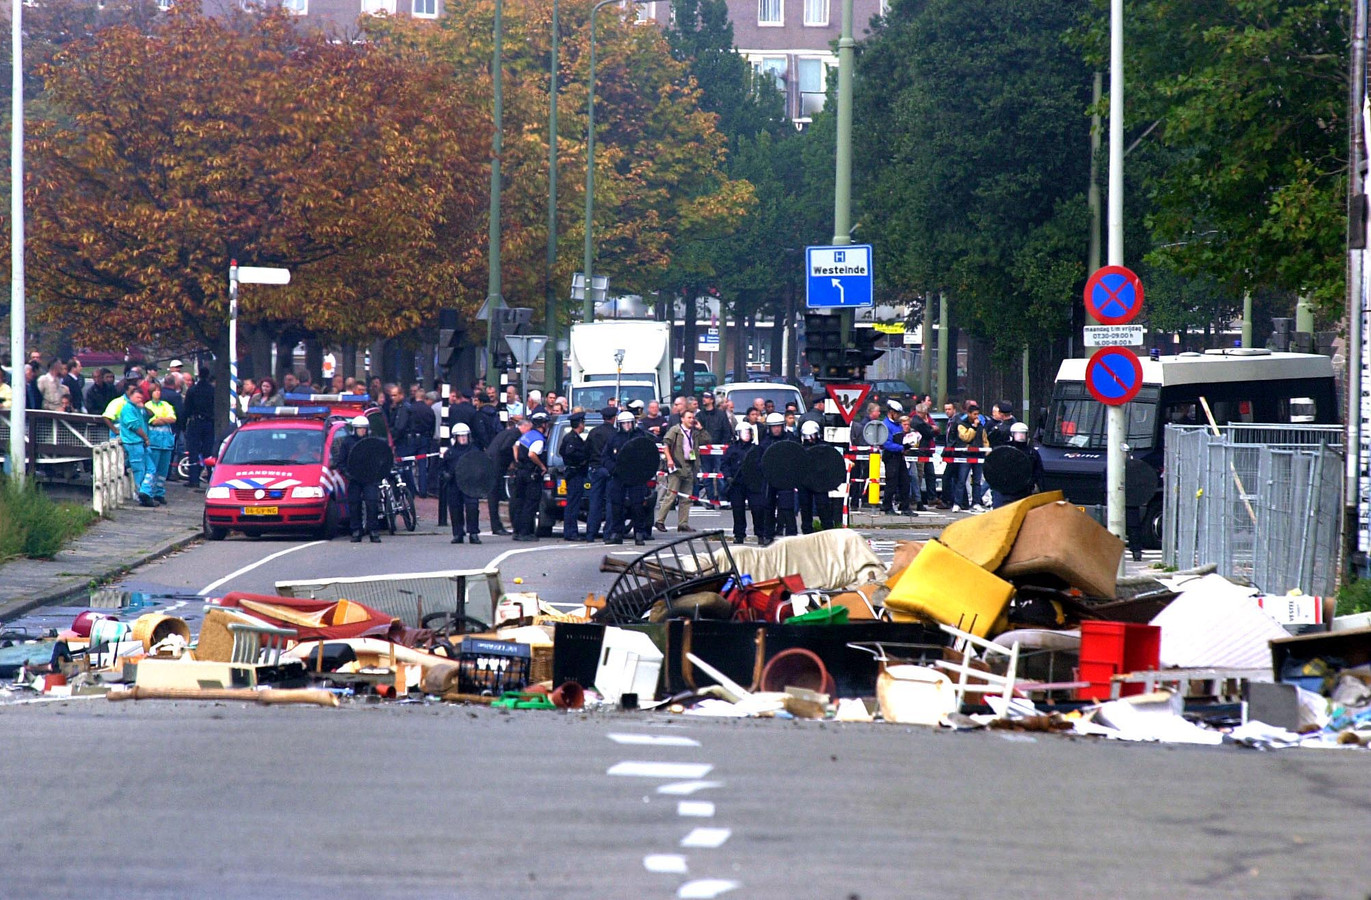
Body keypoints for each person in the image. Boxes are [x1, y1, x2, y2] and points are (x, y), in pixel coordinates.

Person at [330, 415, 383, 543]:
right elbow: (341, 461)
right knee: (354, 504)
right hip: (354, 478)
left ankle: (373, 531)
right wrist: (346, 473)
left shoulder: (371, 442)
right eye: (359, 428)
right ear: (355, 429)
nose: (362, 431)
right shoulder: (348, 442)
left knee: (372, 502)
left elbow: (379, 458)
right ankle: (356, 530)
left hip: (369, 477)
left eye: (364, 428)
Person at [602, 410, 652, 546]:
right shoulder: (614, 438)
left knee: (637, 505)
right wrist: (613, 468)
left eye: (629, 423)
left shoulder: (639, 436)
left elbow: (647, 454)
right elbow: (605, 456)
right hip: (618, 476)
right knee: (616, 505)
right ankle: (617, 533)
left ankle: (639, 533)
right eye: (624, 423)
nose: (627, 426)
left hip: (635, 476)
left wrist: (643, 470)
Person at [655, 408, 705, 534]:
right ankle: (660, 520)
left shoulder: (694, 432)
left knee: (686, 498)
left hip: (689, 465)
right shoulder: (675, 430)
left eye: (692, 418)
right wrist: (669, 459)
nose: (691, 420)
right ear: (682, 419)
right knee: (671, 495)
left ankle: (683, 523)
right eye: (689, 418)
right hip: (677, 466)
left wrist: (700, 429)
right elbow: (666, 444)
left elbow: (707, 439)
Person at [757, 412, 798, 543]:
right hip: (770, 479)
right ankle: (768, 535)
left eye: (778, 426)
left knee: (787, 508)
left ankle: (792, 535)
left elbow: (797, 457)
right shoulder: (765, 442)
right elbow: (759, 460)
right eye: (773, 426)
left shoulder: (790, 439)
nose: (776, 429)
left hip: (786, 479)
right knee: (768, 507)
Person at [440, 422, 483, 544]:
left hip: (470, 484)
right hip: (454, 483)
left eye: (465, 436)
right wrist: (445, 474)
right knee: (455, 508)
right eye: (460, 436)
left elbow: (481, 466)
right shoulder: (450, 452)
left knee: (472, 508)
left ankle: (473, 533)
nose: (463, 438)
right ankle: (458, 533)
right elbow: (441, 467)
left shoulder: (474, 450)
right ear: (455, 438)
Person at [510, 412, 550, 541]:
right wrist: (542, 466)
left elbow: (515, 446)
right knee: (531, 503)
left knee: (520, 502)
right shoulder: (538, 439)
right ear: (543, 425)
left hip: (520, 472)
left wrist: (517, 460)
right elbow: (532, 454)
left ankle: (517, 531)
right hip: (531, 474)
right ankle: (526, 532)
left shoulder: (527, 435)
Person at [991, 421, 1043, 510]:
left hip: (1024, 489)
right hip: (1004, 489)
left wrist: (1032, 483)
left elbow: (1038, 471)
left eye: (1022, 434)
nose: (1021, 437)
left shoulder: (1031, 452)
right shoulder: (1005, 450)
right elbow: (996, 468)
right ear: (1012, 434)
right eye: (1018, 434)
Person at [796, 420, 835, 533]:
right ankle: (807, 531)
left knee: (823, 506)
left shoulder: (824, 446)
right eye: (808, 435)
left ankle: (828, 530)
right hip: (805, 482)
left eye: (812, 435)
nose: (810, 438)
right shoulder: (800, 448)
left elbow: (831, 462)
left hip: (820, 482)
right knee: (805, 507)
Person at [583, 407, 616, 542]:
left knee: (595, 502)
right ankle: (608, 533)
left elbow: (586, 450)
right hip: (610, 470)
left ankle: (591, 533)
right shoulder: (615, 433)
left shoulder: (594, 432)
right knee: (610, 502)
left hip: (596, 468)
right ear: (614, 418)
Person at [720, 421, 756, 543]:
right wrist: (728, 477)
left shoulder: (755, 448)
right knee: (738, 510)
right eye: (744, 433)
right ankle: (739, 535)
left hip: (752, 483)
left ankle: (760, 533)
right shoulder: (732, 449)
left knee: (757, 509)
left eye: (748, 432)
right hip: (737, 483)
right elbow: (724, 464)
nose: (747, 435)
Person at [142, 383, 177, 505]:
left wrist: (160, 419)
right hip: (154, 442)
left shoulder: (166, 405)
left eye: (159, 390)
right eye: (155, 391)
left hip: (166, 443)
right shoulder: (147, 405)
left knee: (163, 470)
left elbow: (173, 418)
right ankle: (150, 493)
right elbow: (152, 421)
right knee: (153, 468)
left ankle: (160, 493)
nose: (157, 393)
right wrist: (163, 419)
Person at [119, 389, 154, 507]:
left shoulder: (138, 409)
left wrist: (144, 407)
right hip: (133, 443)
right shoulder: (128, 408)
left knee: (151, 468)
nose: (140, 400)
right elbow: (134, 426)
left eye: (141, 398)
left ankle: (145, 492)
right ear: (130, 396)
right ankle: (142, 496)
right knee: (139, 471)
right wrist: (146, 438)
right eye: (137, 397)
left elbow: (151, 415)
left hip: (141, 443)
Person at [559, 411, 591, 541]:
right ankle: (571, 532)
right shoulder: (572, 438)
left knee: (573, 503)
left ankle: (572, 531)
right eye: (583, 423)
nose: (584, 425)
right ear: (580, 424)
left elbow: (562, 451)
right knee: (573, 504)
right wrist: (581, 460)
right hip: (574, 473)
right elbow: (568, 452)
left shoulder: (573, 437)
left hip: (576, 473)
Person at [953, 401, 990, 512]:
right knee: (962, 480)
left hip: (978, 455)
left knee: (977, 481)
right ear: (969, 414)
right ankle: (957, 503)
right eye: (974, 414)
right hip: (966, 455)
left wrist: (986, 450)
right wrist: (973, 427)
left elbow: (984, 439)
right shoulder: (962, 424)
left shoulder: (981, 425)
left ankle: (976, 502)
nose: (976, 417)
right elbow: (966, 437)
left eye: (977, 414)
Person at [696, 391, 731, 506]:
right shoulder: (700, 415)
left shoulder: (721, 415)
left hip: (719, 450)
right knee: (707, 476)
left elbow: (727, 431)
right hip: (704, 451)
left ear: (712, 400)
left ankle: (722, 499)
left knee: (721, 475)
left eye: (706, 397)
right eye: (703, 397)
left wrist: (724, 446)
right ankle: (710, 500)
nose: (704, 399)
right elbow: (696, 432)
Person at [183, 369, 215, 491]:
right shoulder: (212, 390)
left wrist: (184, 424)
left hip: (195, 422)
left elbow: (187, 408)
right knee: (209, 451)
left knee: (193, 451)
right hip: (209, 422)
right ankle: (211, 477)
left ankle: (194, 479)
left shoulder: (192, 390)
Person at [486, 419, 520, 535]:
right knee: (493, 495)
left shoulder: (506, 432)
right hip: (496, 466)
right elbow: (505, 448)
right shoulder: (515, 434)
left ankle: (496, 525)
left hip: (491, 463)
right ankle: (496, 526)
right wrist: (512, 462)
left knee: (494, 495)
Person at [878, 401, 912, 515]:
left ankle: (905, 507)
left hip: (899, 456)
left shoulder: (897, 425)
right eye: (897, 413)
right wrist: (901, 448)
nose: (899, 416)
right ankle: (887, 506)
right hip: (891, 457)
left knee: (905, 481)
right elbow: (886, 444)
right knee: (891, 482)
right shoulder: (886, 426)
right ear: (891, 412)